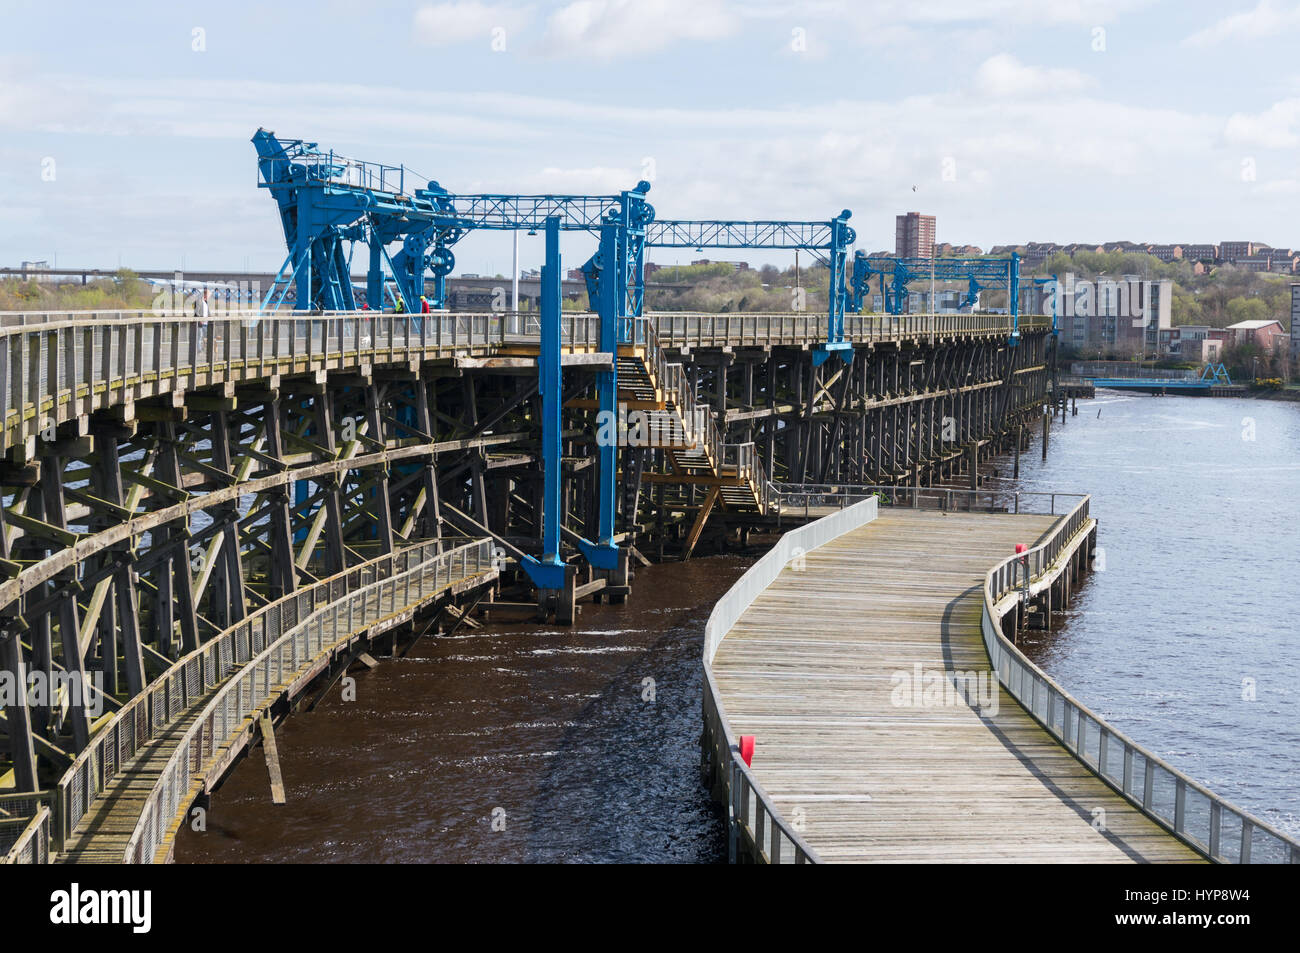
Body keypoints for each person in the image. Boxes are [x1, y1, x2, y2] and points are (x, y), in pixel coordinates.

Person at [194, 287, 210, 352]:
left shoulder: (206, 302)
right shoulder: (199, 301)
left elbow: (207, 312)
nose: (209, 296)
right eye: (208, 295)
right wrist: (199, 319)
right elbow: (196, 311)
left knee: (205, 337)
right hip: (200, 322)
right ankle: (199, 349)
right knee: (199, 336)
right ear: (205, 294)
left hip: (206, 322)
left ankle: (204, 348)